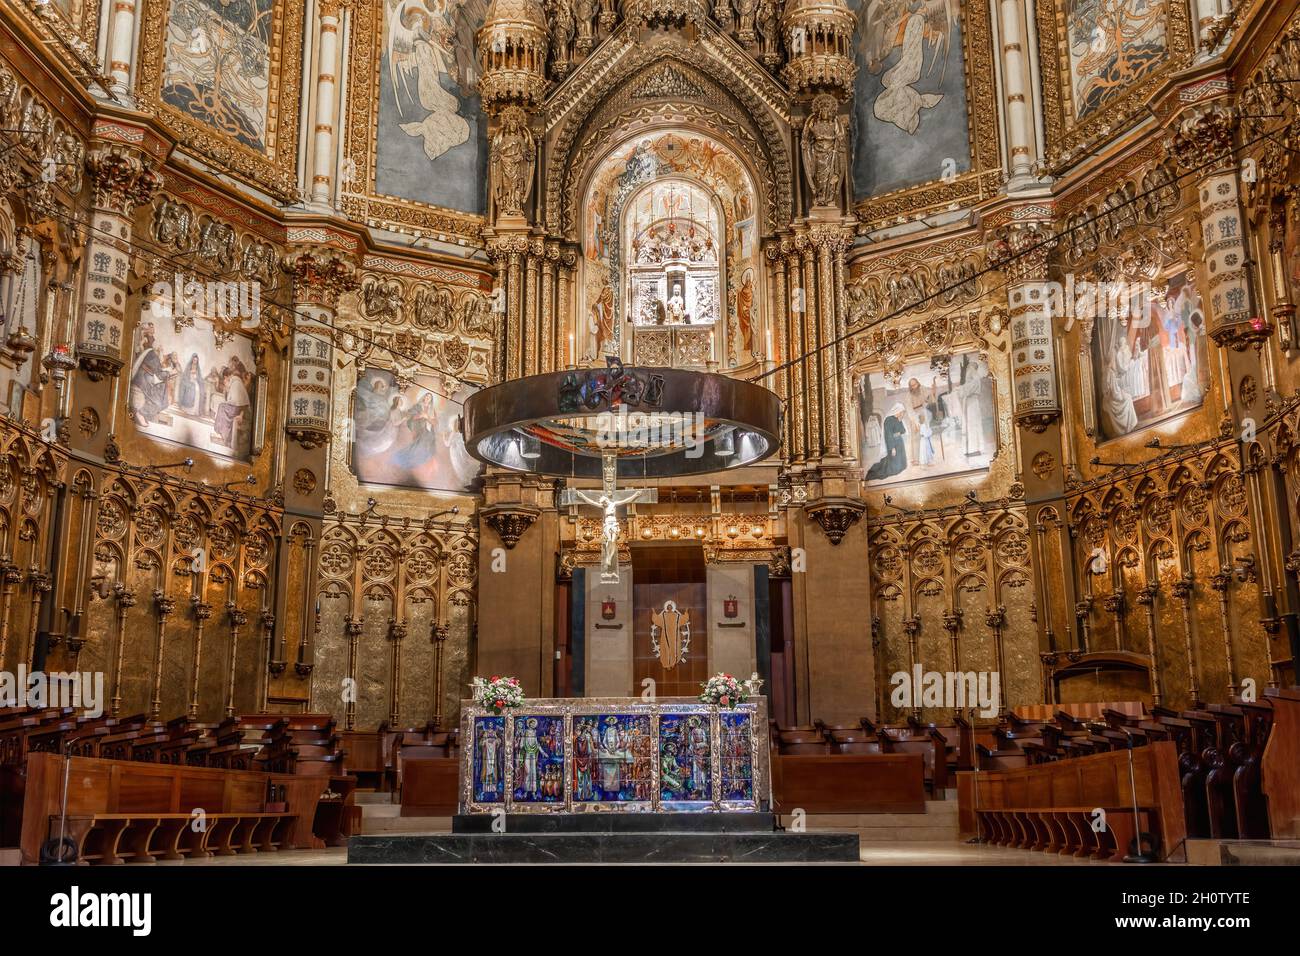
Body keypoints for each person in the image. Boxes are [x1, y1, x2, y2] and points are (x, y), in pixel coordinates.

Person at [866, 403, 909, 481]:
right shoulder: (888, 420)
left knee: (902, 465)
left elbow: (903, 431)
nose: (902, 414)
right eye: (902, 412)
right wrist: (892, 448)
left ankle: (900, 467)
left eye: (903, 412)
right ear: (897, 411)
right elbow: (888, 435)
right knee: (892, 468)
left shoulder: (899, 419)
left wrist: (899, 422)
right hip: (893, 443)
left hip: (900, 443)